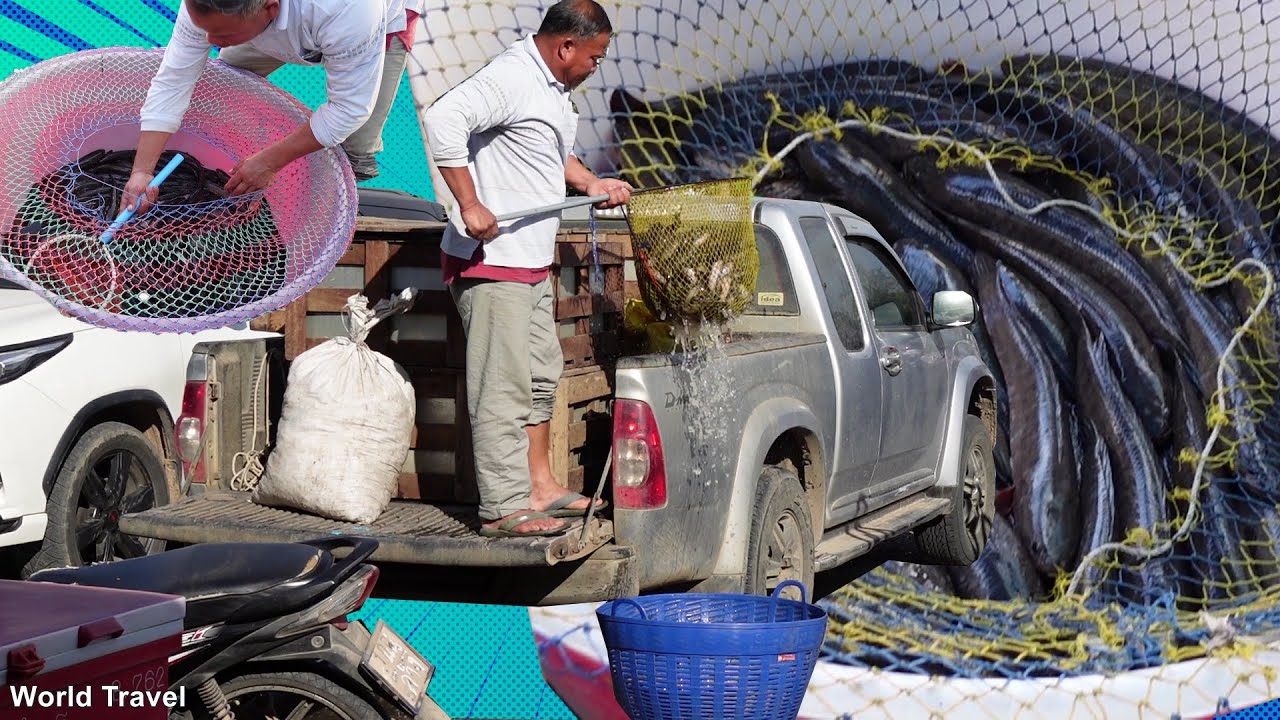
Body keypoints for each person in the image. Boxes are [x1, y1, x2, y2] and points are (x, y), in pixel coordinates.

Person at [422, 0, 632, 538]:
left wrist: (590, 183)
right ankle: (502, 506)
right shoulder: (513, 76)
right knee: (504, 387)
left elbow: (548, 152)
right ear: (566, 46)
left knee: (540, 376)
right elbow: (442, 118)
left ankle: (539, 486)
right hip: (494, 264)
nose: (596, 67)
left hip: (531, 264)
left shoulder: (551, 90)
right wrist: (469, 203)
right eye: (595, 57)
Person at [120, 0, 423, 216]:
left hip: (376, 22)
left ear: (270, 8)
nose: (209, 41)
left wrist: (270, 162)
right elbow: (175, 80)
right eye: (204, 29)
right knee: (227, 80)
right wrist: (141, 171)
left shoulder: (350, 11)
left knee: (352, 147)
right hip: (268, 21)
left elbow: (348, 110)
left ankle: (325, 218)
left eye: (222, 36)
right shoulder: (211, 8)